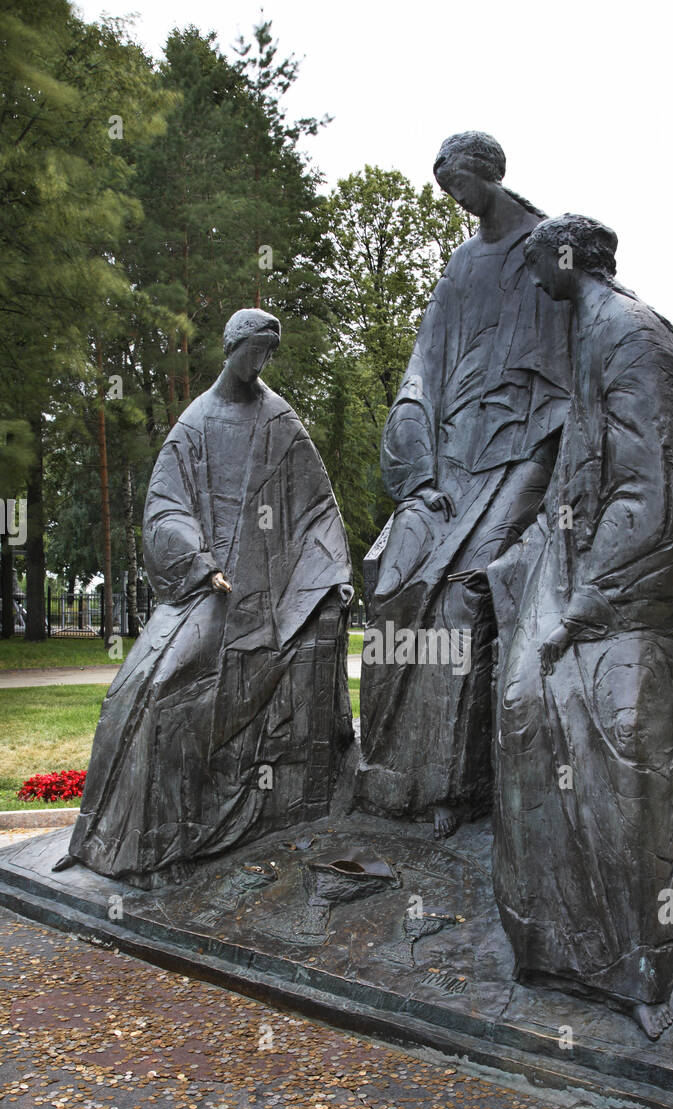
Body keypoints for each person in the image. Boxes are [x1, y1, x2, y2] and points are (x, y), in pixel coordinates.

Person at [488, 215, 673, 1040]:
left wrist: (583, 605)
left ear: (567, 259)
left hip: (626, 610)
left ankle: (645, 966)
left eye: (538, 264)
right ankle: (557, 951)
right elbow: (583, 484)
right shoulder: (595, 336)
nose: (533, 280)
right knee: (525, 715)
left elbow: (663, 495)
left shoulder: (629, 338)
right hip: (589, 598)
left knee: (628, 770)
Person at [55, 308, 353, 886]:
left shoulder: (280, 422)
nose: (263, 363)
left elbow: (319, 508)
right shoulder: (193, 425)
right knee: (133, 687)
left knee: (169, 692)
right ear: (233, 348)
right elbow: (164, 509)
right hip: (204, 587)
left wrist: (333, 574)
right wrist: (200, 561)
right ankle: (108, 838)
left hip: (265, 596)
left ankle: (156, 850)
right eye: (257, 351)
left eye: (271, 353)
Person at [354, 132, 571, 839]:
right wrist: (415, 450)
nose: (453, 199)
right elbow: (425, 359)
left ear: (488, 174)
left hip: (525, 451)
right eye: (444, 187)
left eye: (458, 185)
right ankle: (391, 773)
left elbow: (580, 357)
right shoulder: (460, 264)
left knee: (462, 598)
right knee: (390, 582)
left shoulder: (546, 248)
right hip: (454, 460)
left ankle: (458, 787)